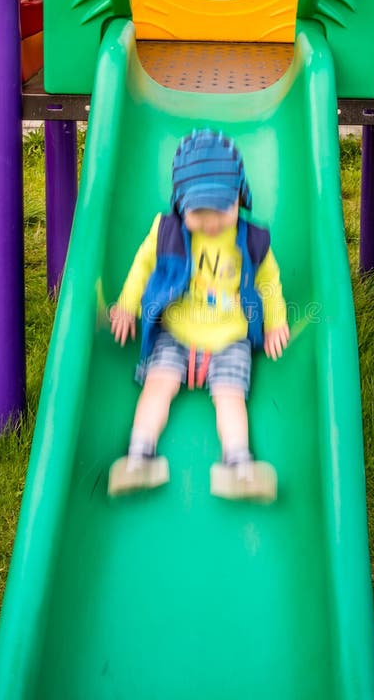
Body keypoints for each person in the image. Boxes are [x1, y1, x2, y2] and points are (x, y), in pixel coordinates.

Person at [108, 128, 289, 502]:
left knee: (229, 395)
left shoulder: (250, 241)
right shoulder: (167, 232)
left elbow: (270, 282)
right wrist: (127, 305)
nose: (210, 223)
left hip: (229, 338)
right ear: (180, 204)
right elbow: (143, 266)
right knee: (158, 384)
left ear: (239, 198)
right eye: (198, 213)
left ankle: (238, 464)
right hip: (177, 332)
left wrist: (275, 321)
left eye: (219, 211)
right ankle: (139, 455)